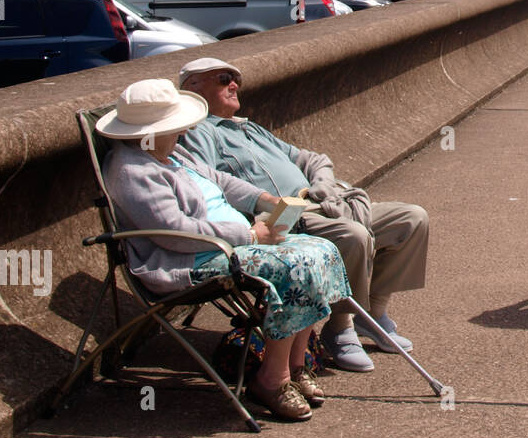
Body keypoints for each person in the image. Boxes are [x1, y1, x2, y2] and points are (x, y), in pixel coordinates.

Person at [98, 79, 351, 421]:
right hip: (190, 259)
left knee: (321, 250)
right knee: (294, 266)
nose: (183, 131)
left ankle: (295, 364)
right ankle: (271, 381)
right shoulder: (132, 170)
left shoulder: (167, 153)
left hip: (228, 243)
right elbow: (176, 234)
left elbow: (220, 181)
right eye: (175, 126)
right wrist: (248, 234)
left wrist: (267, 201)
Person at [176, 58, 429, 372]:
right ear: (194, 88)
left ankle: (373, 315)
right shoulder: (200, 132)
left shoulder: (249, 128)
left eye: (236, 79)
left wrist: (321, 185)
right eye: (224, 78)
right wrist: (271, 206)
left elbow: (313, 159)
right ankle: (341, 327)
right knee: (353, 236)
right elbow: (206, 184)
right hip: (287, 219)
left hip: (322, 204)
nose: (234, 85)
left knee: (412, 219)